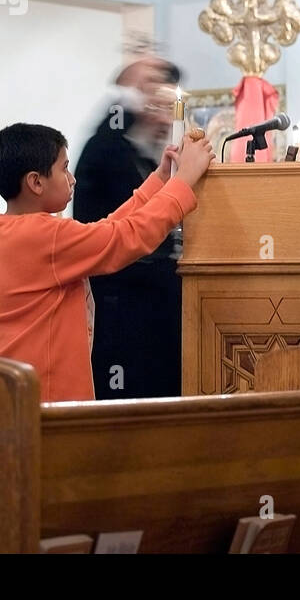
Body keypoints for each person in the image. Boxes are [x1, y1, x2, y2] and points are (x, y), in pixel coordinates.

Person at [0, 122, 213, 403]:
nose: (72, 178)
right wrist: (184, 181)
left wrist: (161, 179)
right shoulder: (43, 236)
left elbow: (108, 229)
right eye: (64, 168)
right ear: (36, 182)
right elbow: (125, 238)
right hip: (46, 402)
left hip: (23, 397)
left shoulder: (8, 233)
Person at [74, 60, 186, 398]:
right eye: (153, 95)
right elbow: (120, 230)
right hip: (123, 313)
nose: (163, 116)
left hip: (160, 311)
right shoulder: (106, 149)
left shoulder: (151, 157)